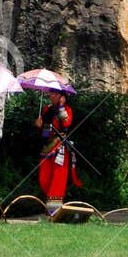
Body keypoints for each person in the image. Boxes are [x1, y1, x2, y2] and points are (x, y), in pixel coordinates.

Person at [36, 88, 78, 216]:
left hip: (60, 148)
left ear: (62, 96)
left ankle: (53, 211)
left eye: (54, 93)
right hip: (47, 147)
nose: (51, 96)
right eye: (50, 93)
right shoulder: (46, 109)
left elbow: (66, 123)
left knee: (58, 179)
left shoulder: (67, 109)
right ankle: (50, 206)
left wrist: (60, 106)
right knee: (44, 179)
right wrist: (39, 125)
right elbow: (44, 131)